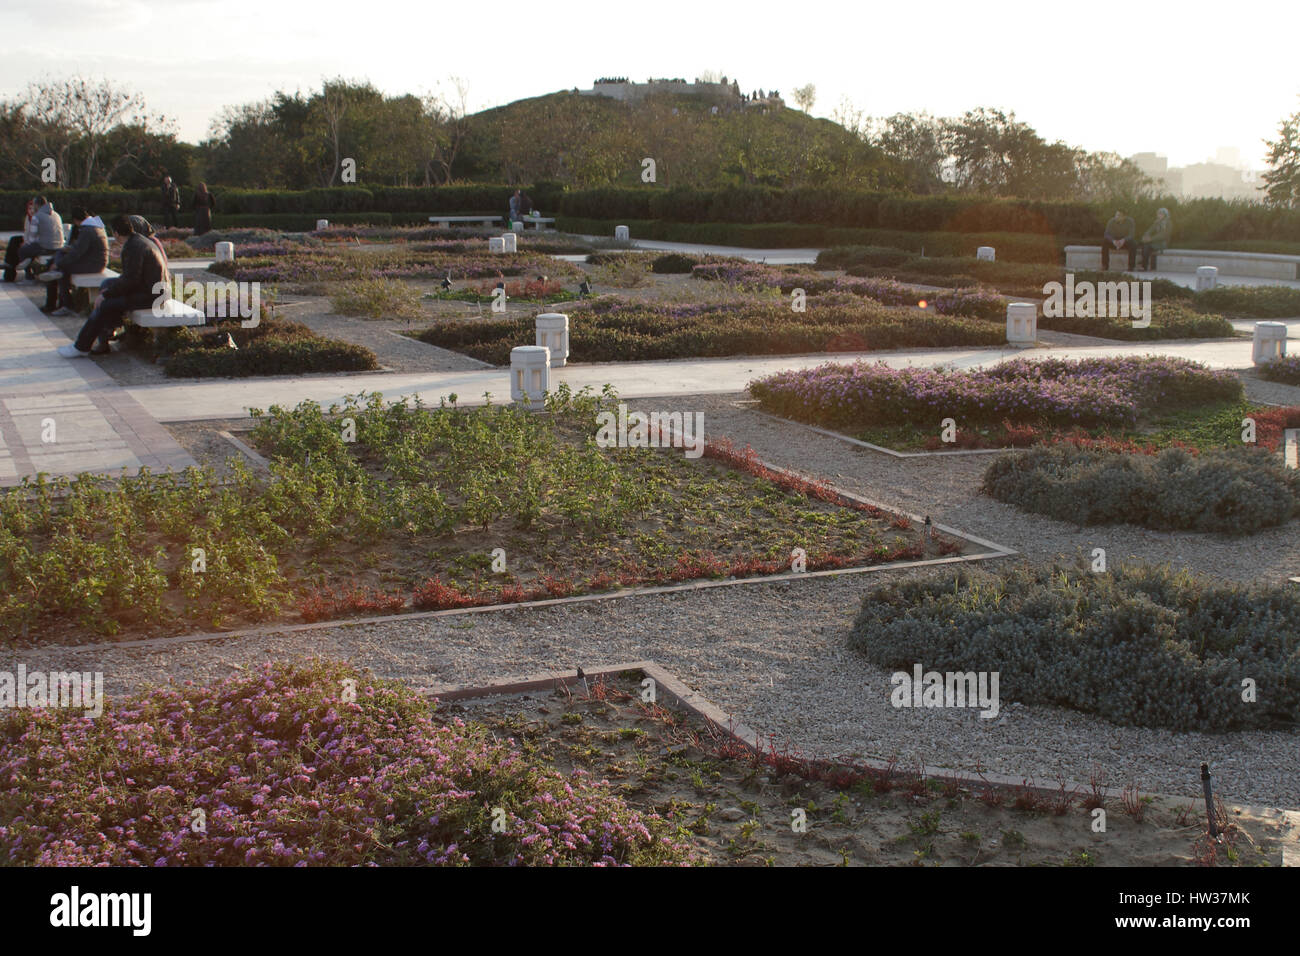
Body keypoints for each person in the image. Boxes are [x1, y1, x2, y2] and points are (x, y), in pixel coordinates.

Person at [58, 214, 169, 359]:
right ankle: (110, 328)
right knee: (106, 285)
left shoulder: (133, 247)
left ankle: (81, 346)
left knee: (105, 304)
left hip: (153, 296)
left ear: (116, 233)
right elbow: (131, 278)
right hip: (152, 290)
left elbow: (131, 280)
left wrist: (106, 295)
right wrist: (109, 290)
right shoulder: (137, 241)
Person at [39, 207, 109, 316]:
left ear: (76, 220)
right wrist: (68, 249)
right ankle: (56, 273)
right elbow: (80, 248)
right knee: (60, 254)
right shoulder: (94, 225)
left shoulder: (88, 230)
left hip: (94, 264)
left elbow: (77, 253)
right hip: (95, 261)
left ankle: (67, 305)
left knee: (63, 269)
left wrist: (59, 263)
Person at [5, 196, 63, 282]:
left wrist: (25, 245)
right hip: (59, 246)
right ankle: (27, 261)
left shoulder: (37, 216)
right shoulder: (56, 215)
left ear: (36, 204)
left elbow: (31, 239)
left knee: (22, 250)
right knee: (17, 241)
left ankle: (27, 268)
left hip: (45, 247)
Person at [2, 198, 38, 282]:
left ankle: (10, 271)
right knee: (14, 240)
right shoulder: (28, 218)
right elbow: (26, 232)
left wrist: (26, 242)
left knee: (15, 247)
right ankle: (9, 267)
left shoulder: (37, 218)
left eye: (33, 208)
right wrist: (25, 241)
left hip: (35, 242)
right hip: (28, 240)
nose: (31, 211)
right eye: (29, 208)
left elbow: (36, 236)